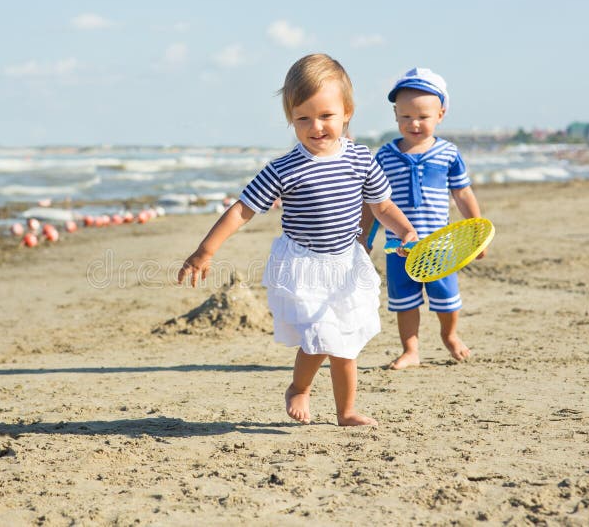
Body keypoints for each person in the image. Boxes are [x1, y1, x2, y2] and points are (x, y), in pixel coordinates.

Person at [177, 54, 417, 426]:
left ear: (347, 112)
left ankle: (346, 410)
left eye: (325, 116)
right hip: (304, 264)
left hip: (346, 263)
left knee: (344, 342)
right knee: (320, 337)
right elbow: (242, 209)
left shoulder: (361, 160)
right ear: (290, 118)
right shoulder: (284, 168)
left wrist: (404, 229)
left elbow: (382, 205)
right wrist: (204, 251)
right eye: (302, 118)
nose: (315, 127)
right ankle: (299, 388)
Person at [362, 67, 486, 370]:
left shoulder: (448, 153)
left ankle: (450, 335)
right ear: (395, 115)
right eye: (405, 117)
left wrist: (477, 235)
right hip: (399, 246)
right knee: (404, 300)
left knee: (446, 297)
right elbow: (374, 204)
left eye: (423, 117)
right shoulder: (385, 156)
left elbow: (463, 195)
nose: (414, 123)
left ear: (440, 114)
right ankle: (411, 349)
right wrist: (365, 239)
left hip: (441, 244)